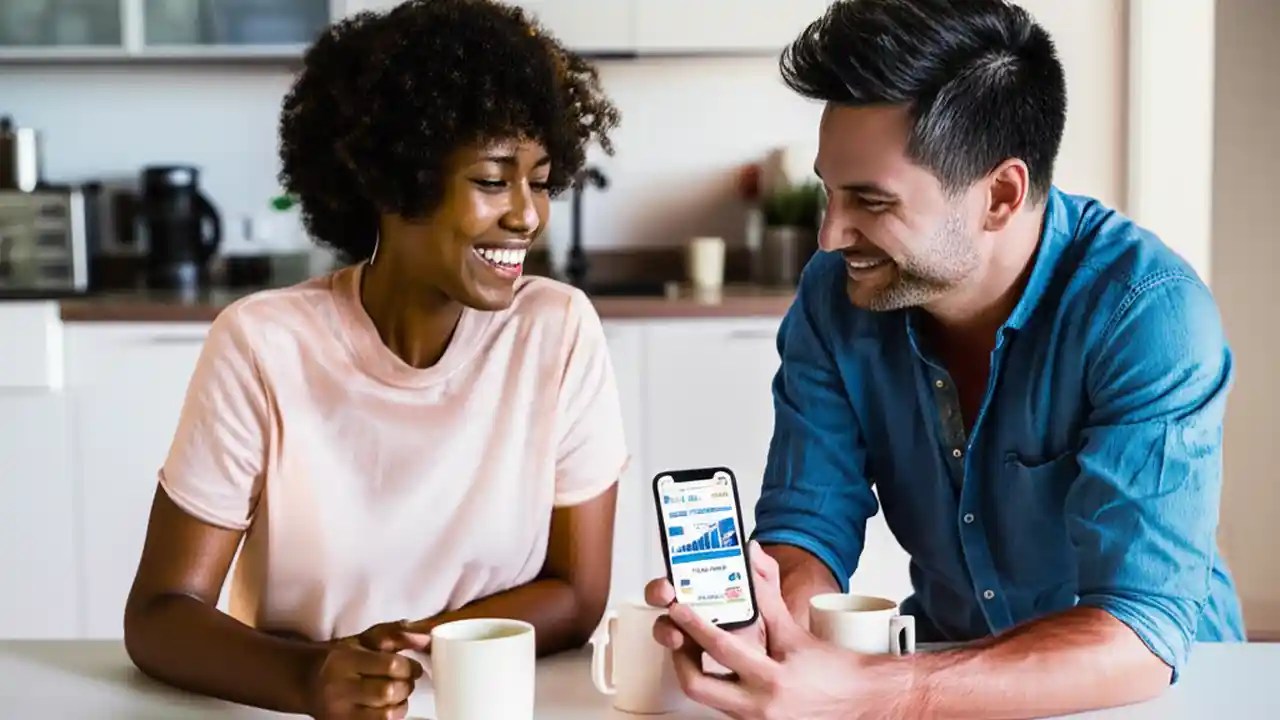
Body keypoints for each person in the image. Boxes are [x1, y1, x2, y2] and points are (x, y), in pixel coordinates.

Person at [646, 0, 1244, 717]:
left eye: (870, 202)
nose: (832, 235)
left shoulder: (1147, 314)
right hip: (942, 676)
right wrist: (767, 624)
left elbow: (1140, 632)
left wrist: (866, 693)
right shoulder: (836, 296)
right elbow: (809, 526)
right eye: (828, 194)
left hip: (1153, 693)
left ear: (1000, 195)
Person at [123, 1, 625, 718]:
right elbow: (160, 614)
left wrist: (407, 653)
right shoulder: (263, 344)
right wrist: (310, 679)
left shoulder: (558, 330)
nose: (527, 215)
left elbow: (577, 593)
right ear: (398, 181)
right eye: (492, 180)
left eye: (539, 179)